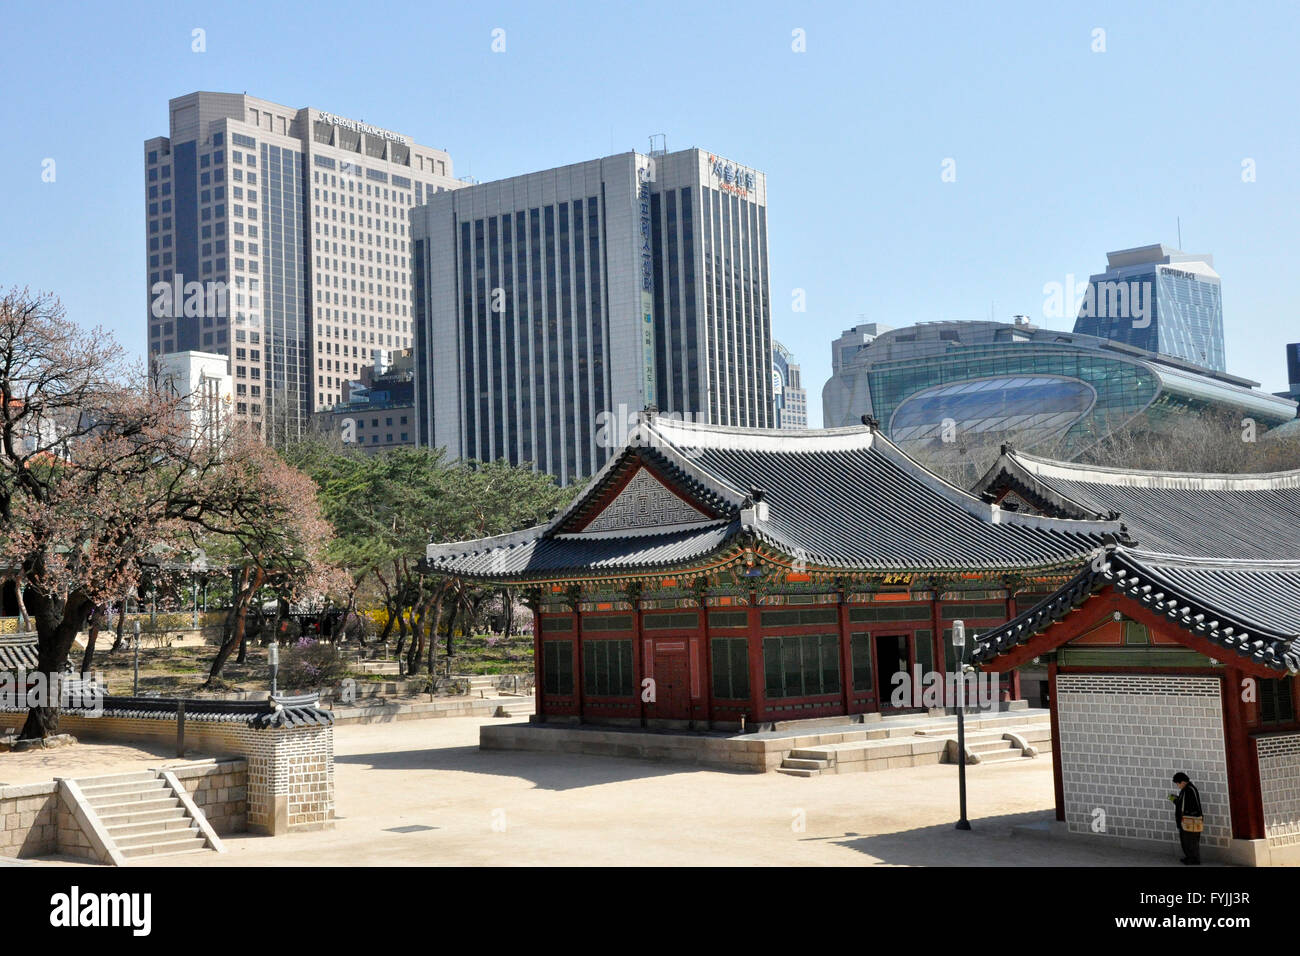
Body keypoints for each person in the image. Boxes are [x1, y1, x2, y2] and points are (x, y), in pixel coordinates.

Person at [1171, 772, 1203, 865]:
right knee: (1186, 841)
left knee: (1191, 841)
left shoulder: (1188, 790)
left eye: (1178, 783)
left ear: (1183, 782)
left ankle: (1194, 859)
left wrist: (1176, 800)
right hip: (1187, 821)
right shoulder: (1187, 789)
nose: (1178, 785)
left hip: (1190, 821)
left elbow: (1185, 806)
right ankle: (1189, 857)